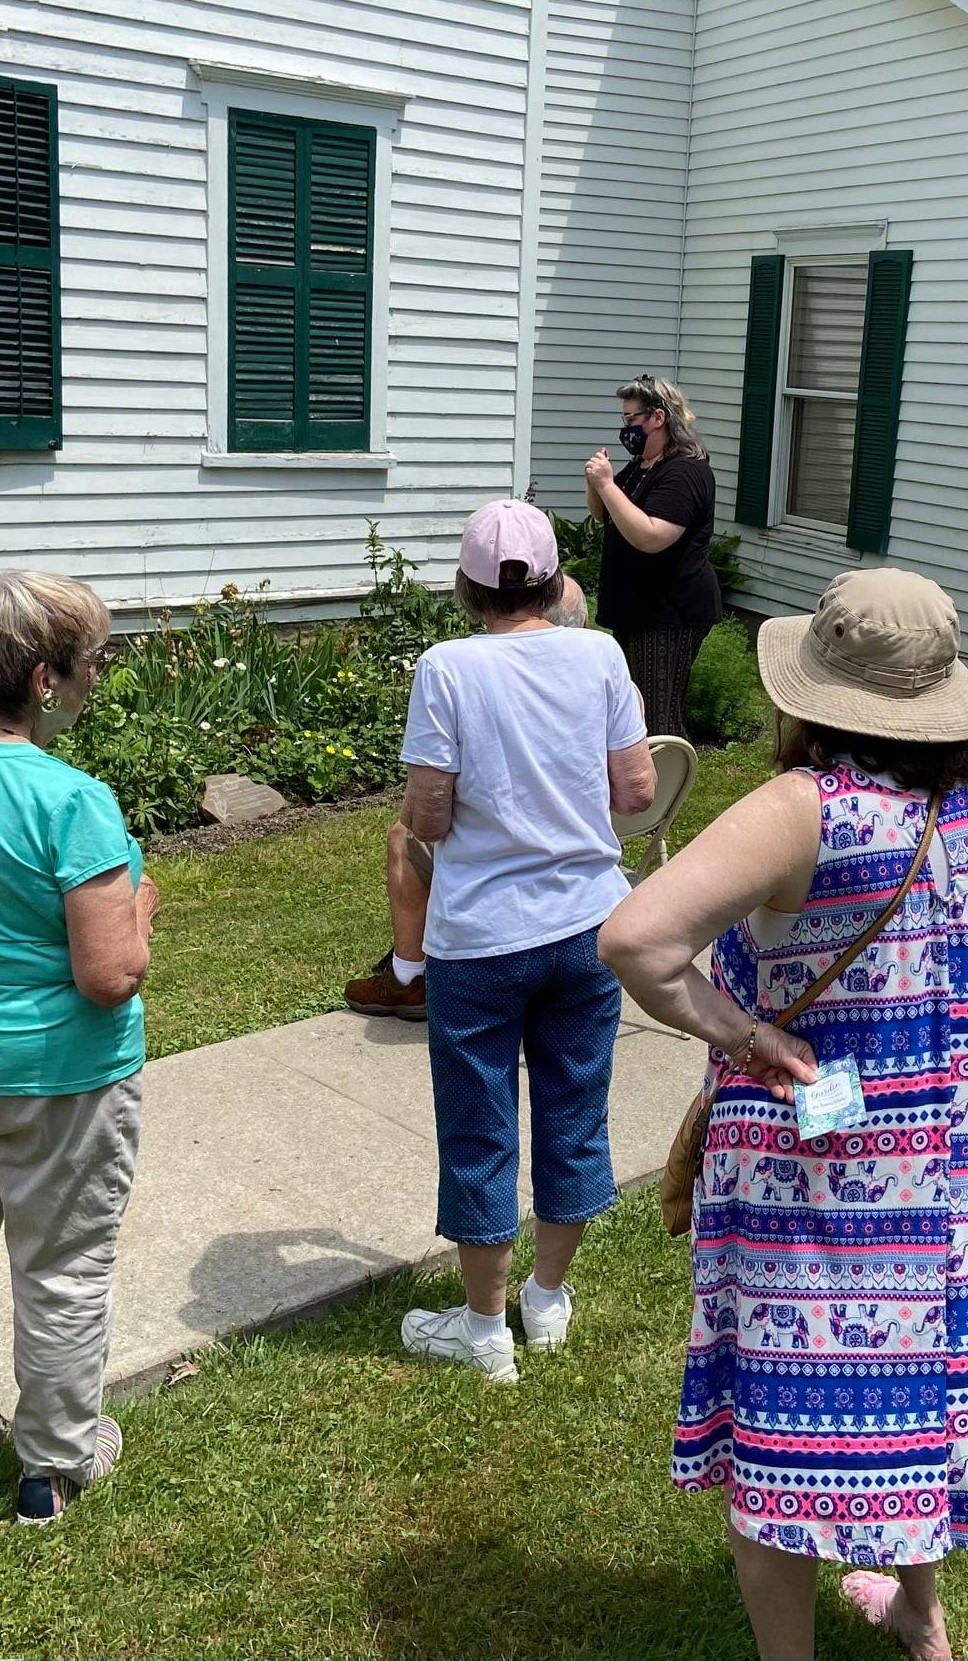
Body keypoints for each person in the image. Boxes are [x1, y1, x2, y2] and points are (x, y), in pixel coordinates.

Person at [599, 570, 968, 1661]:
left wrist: (745, 1036)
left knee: (790, 1437)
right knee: (920, 1405)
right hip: (961, 1184)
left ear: (814, 693)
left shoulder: (804, 811)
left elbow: (636, 941)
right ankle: (920, 1617)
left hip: (820, 1183)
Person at [396, 501, 656, 1381]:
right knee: (574, 1112)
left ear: (469, 588)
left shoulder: (447, 668)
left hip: (480, 938)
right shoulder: (601, 653)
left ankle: (482, 1330)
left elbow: (428, 810)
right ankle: (545, 1299)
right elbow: (636, 788)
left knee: (480, 1127)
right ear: (552, 576)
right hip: (588, 924)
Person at [0, 570, 159, 1524]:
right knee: (62, 1268)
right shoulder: (72, 801)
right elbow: (110, 973)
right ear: (42, 676)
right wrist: (140, 908)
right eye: (90, 662)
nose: (96, 677)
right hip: (54, 1082)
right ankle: (53, 1467)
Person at [343, 574, 591, 1021]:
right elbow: (637, 792)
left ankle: (407, 977)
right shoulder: (608, 670)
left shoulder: (455, 669)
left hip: (498, 894)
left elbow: (429, 822)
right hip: (585, 884)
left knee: (403, 835)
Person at [586, 373, 723, 739]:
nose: (626, 428)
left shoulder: (684, 472)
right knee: (633, 707)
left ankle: (663, 790)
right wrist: (598, 486)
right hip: (636, 610)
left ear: (658, 418)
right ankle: (639, 788)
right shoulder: (643, 465)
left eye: (632, 419)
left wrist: (605, 484)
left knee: (656, 715)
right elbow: (606, 516)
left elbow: (650, 536)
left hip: (668, 612)